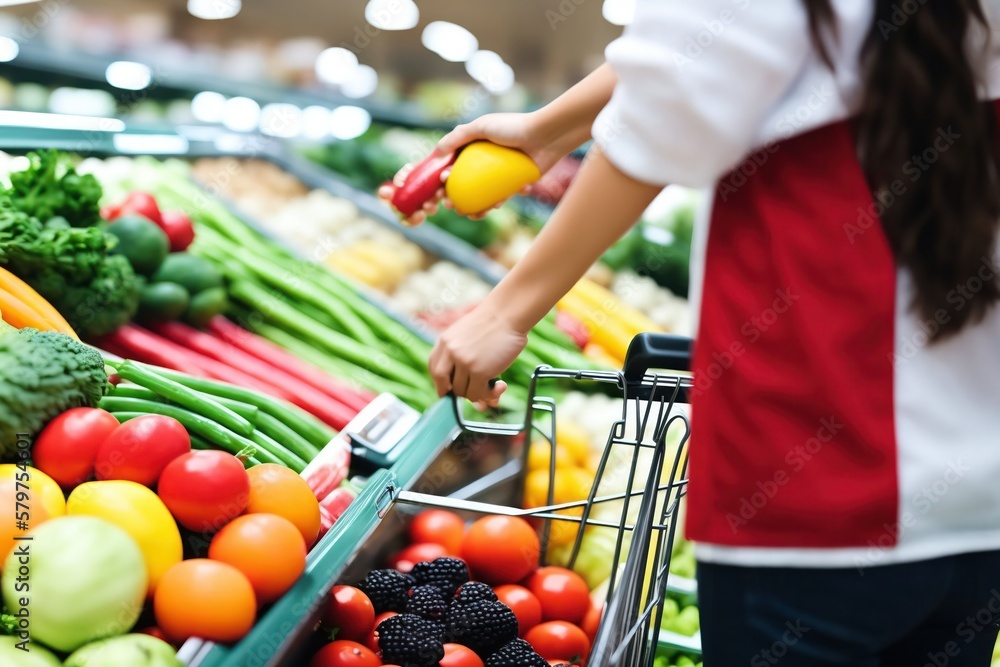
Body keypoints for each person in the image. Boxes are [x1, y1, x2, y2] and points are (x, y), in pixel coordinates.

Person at [381, 1, 1000, 664]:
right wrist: (543, 133)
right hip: (974, 503)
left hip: (814, 489)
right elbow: (700, 58)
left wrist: (505, 312)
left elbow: (661, 112)